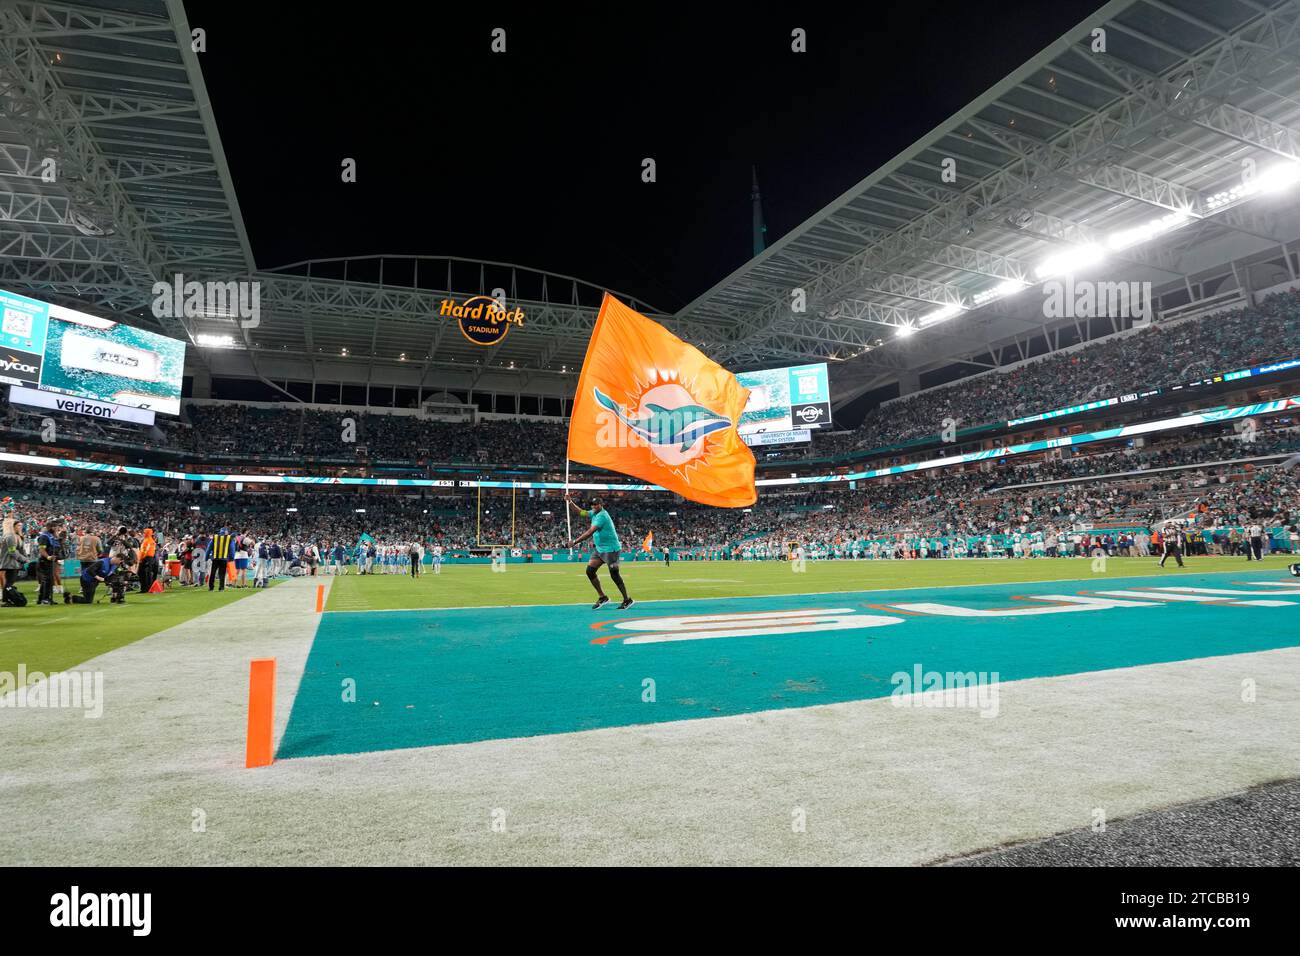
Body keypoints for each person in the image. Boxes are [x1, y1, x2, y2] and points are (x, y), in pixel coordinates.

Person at [564, 493, 633, 610]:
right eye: (592, 505)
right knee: (590, 571)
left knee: (614, 575)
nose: (594, 506)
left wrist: (575, 542)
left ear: (601, 505)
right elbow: (580, 512)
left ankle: (627, 600)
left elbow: (590, 532)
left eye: (596, 504)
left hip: (611, 550)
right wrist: (570, 502)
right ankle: (603, 597)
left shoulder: (602, 516)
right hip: (600, 549)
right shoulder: (594, 513)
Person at [36, 517, 64, 605]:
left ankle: (42, 598)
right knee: (48, 580)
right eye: (56, 527)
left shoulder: (52, 536)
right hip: (45, 561)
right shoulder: (44, 536)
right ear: (51, 527)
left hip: (51, 561)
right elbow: (41, 550)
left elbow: (58, 546)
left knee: (48, 580)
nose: (57, 529)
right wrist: (48, 557)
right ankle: (45, 598)